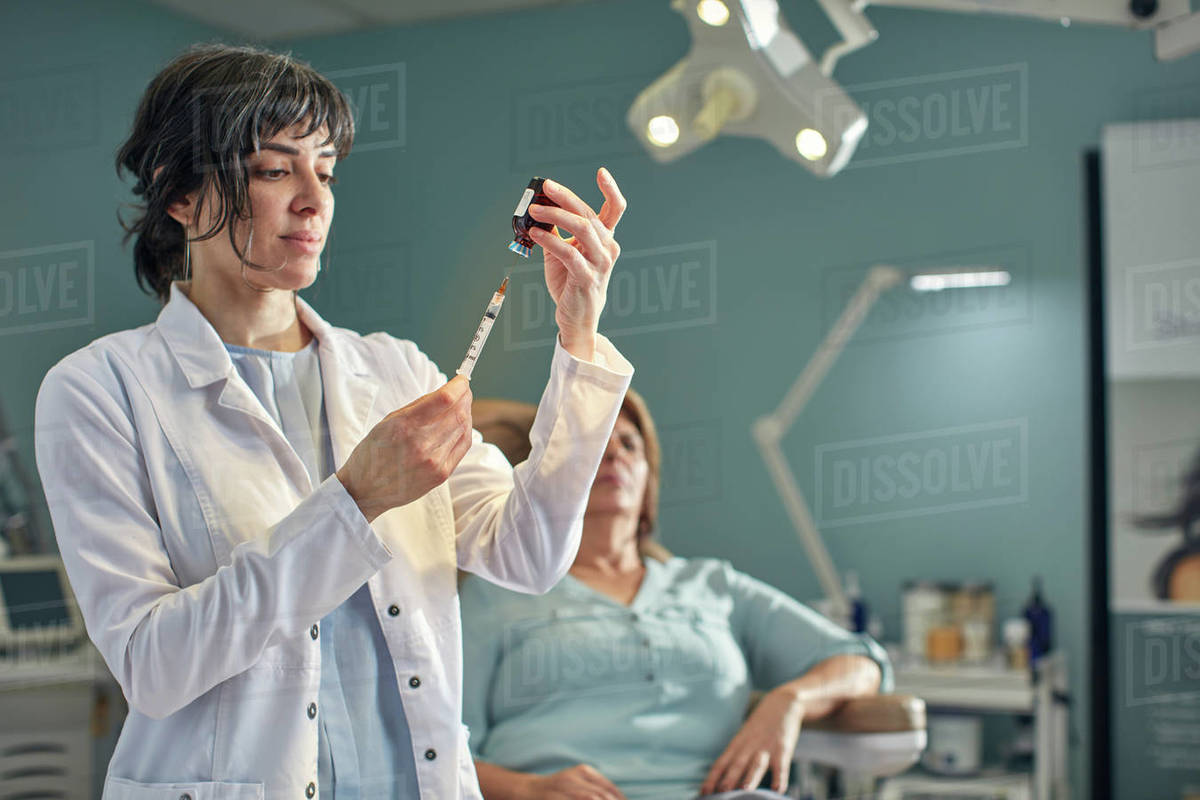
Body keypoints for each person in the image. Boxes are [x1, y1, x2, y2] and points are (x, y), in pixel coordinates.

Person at [33, 43, 632, 800]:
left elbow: (530, 554)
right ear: (178, 192)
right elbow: (156, 667)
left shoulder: (395, 373)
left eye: (327, 170)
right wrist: (355, 500)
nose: (315, 199)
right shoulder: (99, 391)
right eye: (275, 170)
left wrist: (578, 340)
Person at [461, 389, 893, 800]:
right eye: (594, 444)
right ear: (547, 474)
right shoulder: (496, 591)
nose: (616, 455)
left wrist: (789, 701)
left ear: (648, 481)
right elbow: (439, 744)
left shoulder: (713, 586)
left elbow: (860, 661)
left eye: (631, 445)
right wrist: (526, 791)